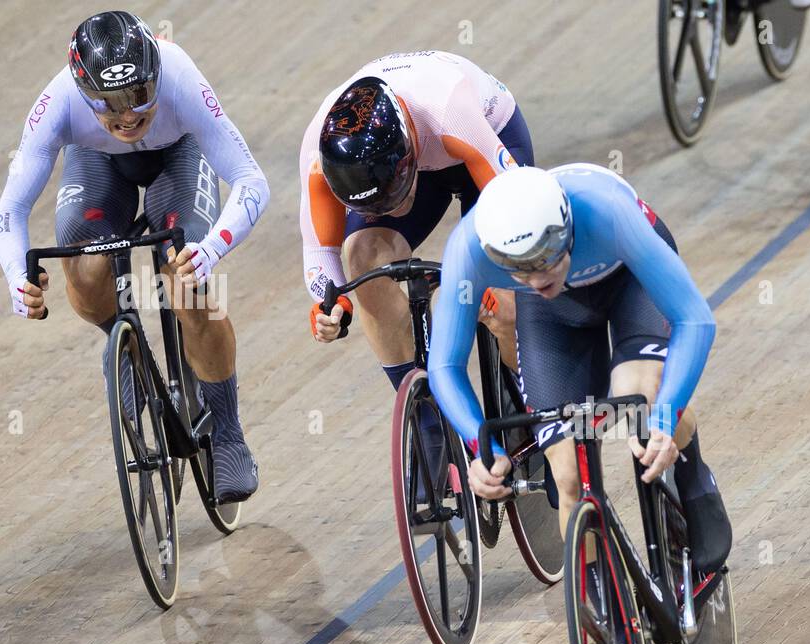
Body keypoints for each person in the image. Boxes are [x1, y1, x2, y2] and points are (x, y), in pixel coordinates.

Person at [0, 10, 267, 502]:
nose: (128, 115)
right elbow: (10, 211)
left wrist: (210, 249)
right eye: (109, 103)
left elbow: (252, 181)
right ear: (81, 91)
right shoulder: (56, 103)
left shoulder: (180, 76)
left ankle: (227, 435)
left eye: (140, 95)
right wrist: (17, 277)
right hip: (99, 167)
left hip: (177, 157)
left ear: (156, 73)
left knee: (187, 284)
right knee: (83, 261)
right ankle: (121, 345)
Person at [427, 164, 731, 573]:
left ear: (566, 229)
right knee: (568, 474)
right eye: (518, 268)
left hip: (629, 282)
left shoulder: (606, 211)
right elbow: (445, 365)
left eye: (542, 260)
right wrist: (482, 449)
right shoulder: (469, 248)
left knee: (641, 401)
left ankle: (693, 478)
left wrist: (666, 413)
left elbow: (695, 320)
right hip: (554, 316)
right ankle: (598, 612)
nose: (534, 279)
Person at [299, 51, 533, 396]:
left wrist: (495, 274)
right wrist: (332, 303)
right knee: (363, 257)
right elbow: (319, 251)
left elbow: (519, 209)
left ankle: (539, 405)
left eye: (389, 200)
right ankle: (425, 416)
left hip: (485, 140)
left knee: (506, 301)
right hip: (410, 163)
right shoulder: (320, 154)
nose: (388, 213)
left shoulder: (449, 113)